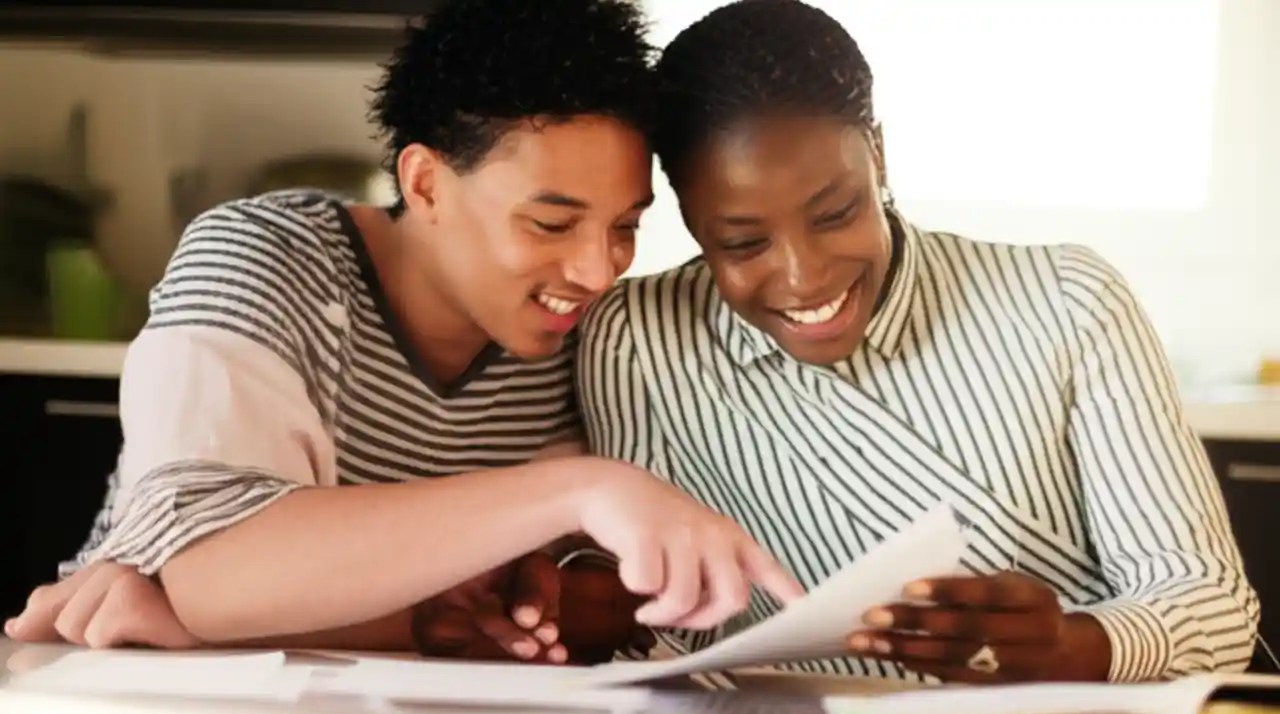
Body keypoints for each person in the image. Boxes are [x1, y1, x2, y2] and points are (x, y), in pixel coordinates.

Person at [3, 0, 802, 662]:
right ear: (425, 183)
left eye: (625, 225)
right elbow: (218, 574)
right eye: (551, 223)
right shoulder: (264, 259)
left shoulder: (577, 339)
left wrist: (429, 619)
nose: (599, 270)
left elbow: (569, 607)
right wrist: (584, 491)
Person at [576, 0, 1259, 683]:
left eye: (836, 212)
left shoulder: (1069, 301)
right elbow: (657, 631)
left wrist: (1073, 647)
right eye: (743, 242)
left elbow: (1213, 607)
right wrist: (590, 599)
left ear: (876, 152)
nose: (804, 276)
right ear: (689, 217)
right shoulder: (639, 342)